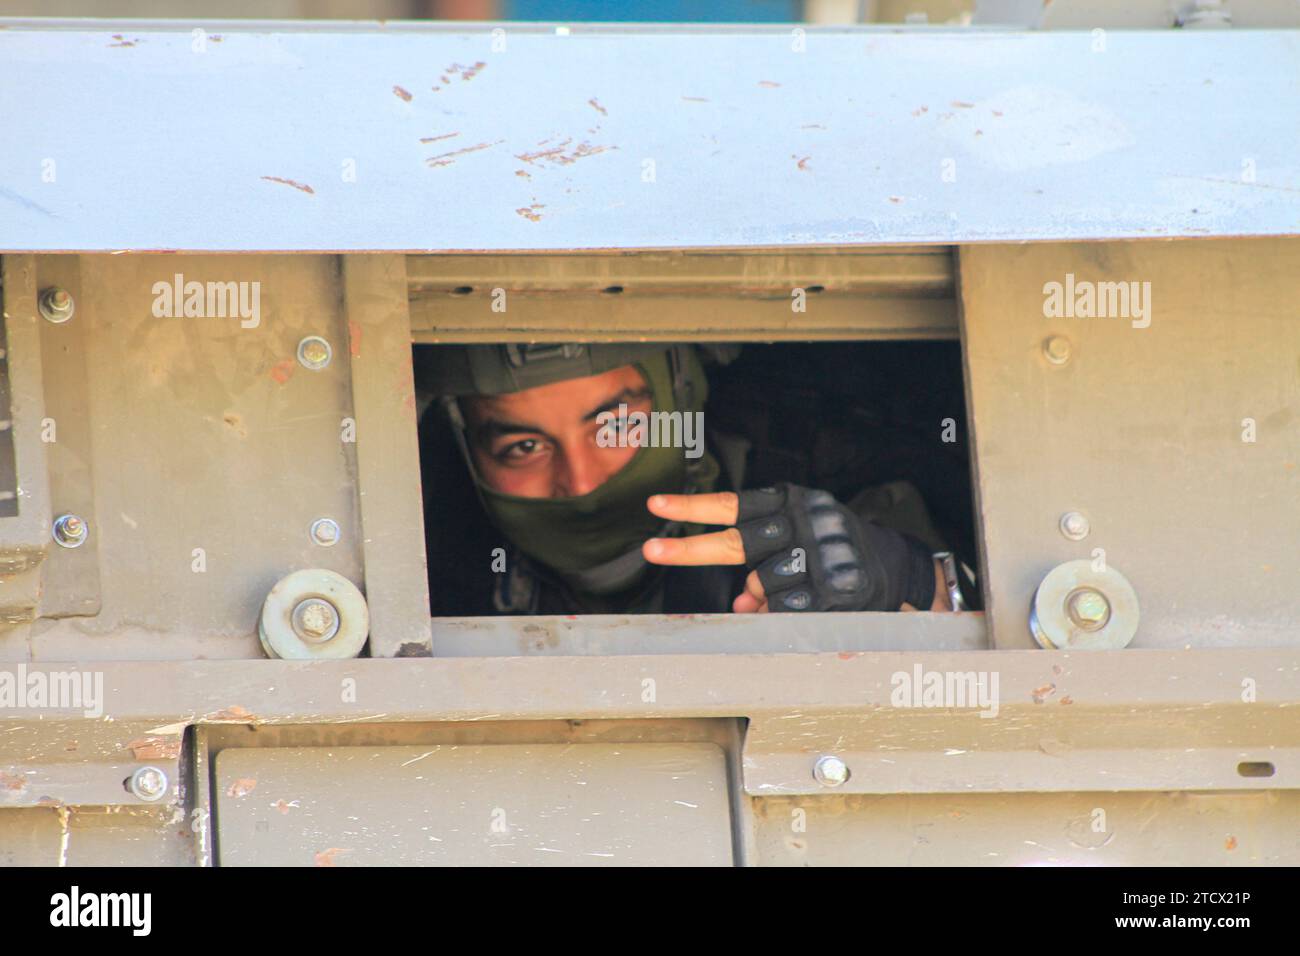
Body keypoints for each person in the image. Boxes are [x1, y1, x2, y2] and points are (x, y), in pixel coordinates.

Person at [418, 343, 976, 616]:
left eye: (616, 425)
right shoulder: (425, 568)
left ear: (680, 402)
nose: (581, 482)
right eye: (524, 447)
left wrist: (906, 580)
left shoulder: (825, 473)